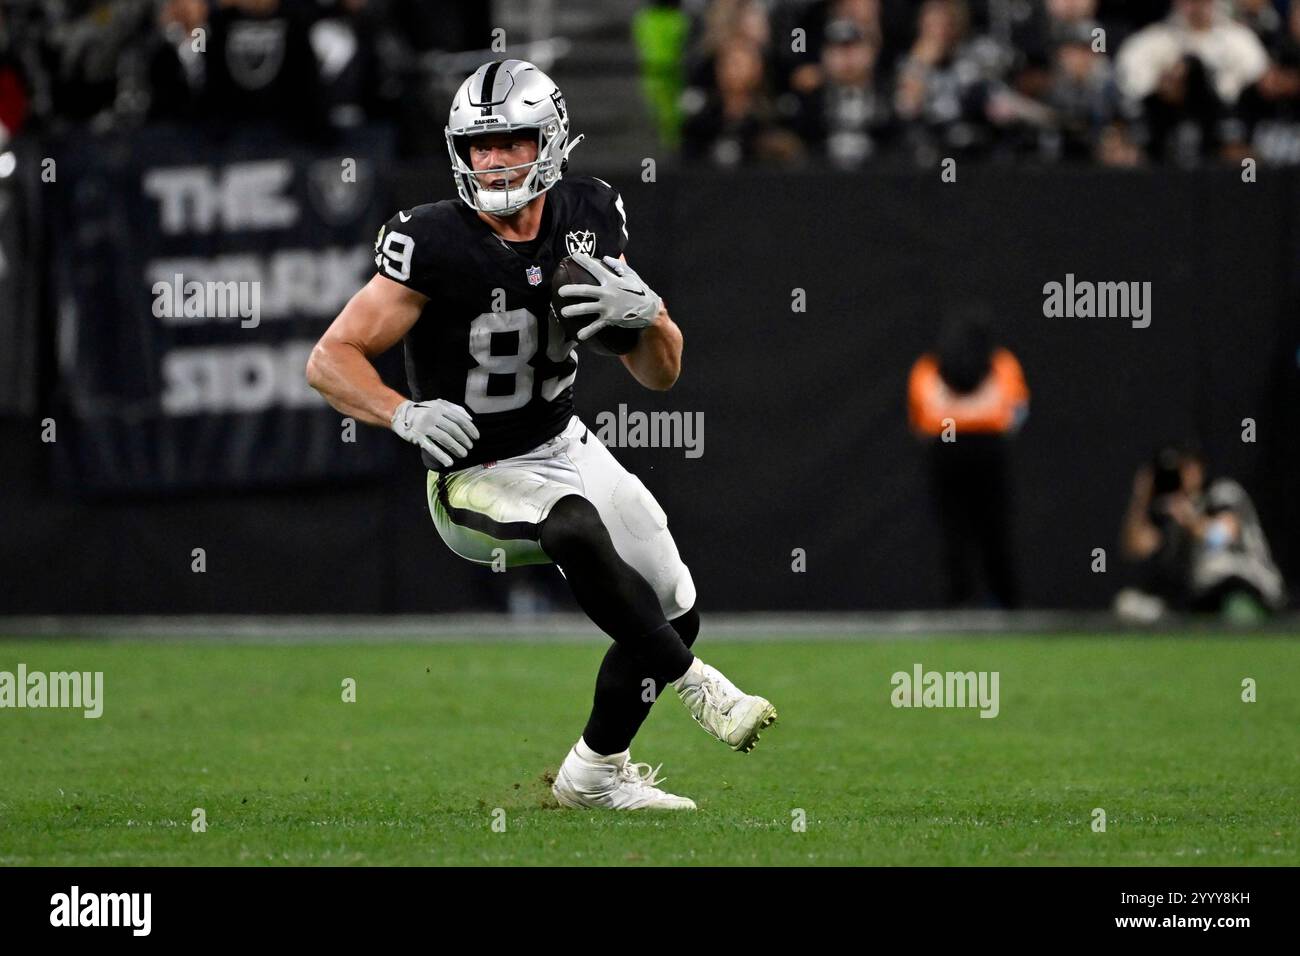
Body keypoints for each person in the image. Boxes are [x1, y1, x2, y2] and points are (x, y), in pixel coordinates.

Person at [305, 59, 776, 811]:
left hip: (563, 442)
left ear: (550, 140)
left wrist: (652, 314)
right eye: (477, 145)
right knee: (574, 527)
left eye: (511, 141)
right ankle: (701, 686)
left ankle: (593, 775)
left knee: (675, 605)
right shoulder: (430, 240)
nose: (491, 160)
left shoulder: (589, 214)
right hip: (472, 472)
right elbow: (329, 357)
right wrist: (403, 412)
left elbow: (661, 375)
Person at [907, 315, 1029, 608]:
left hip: (946, 450)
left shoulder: (929, 367)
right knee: (993, 528)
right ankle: (1003, 601)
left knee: (954, 530)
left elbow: (920, 422)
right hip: (988, 450)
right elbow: (1017, 411)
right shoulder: (1002, 364)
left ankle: (959, 602)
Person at [1118, 446, 1285, 622]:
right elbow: (1135, 548)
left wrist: (1188, 520)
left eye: (1189, 467)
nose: (1184, 475)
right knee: (1129, 603)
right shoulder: (1175, 505)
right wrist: (1141, 497)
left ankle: (1245, 620)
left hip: (1251, 582)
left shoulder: (1223, 491)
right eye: (1179, 470)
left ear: (1200, 468)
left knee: (1221, 572)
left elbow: (1221, 536)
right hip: (1205, 593)